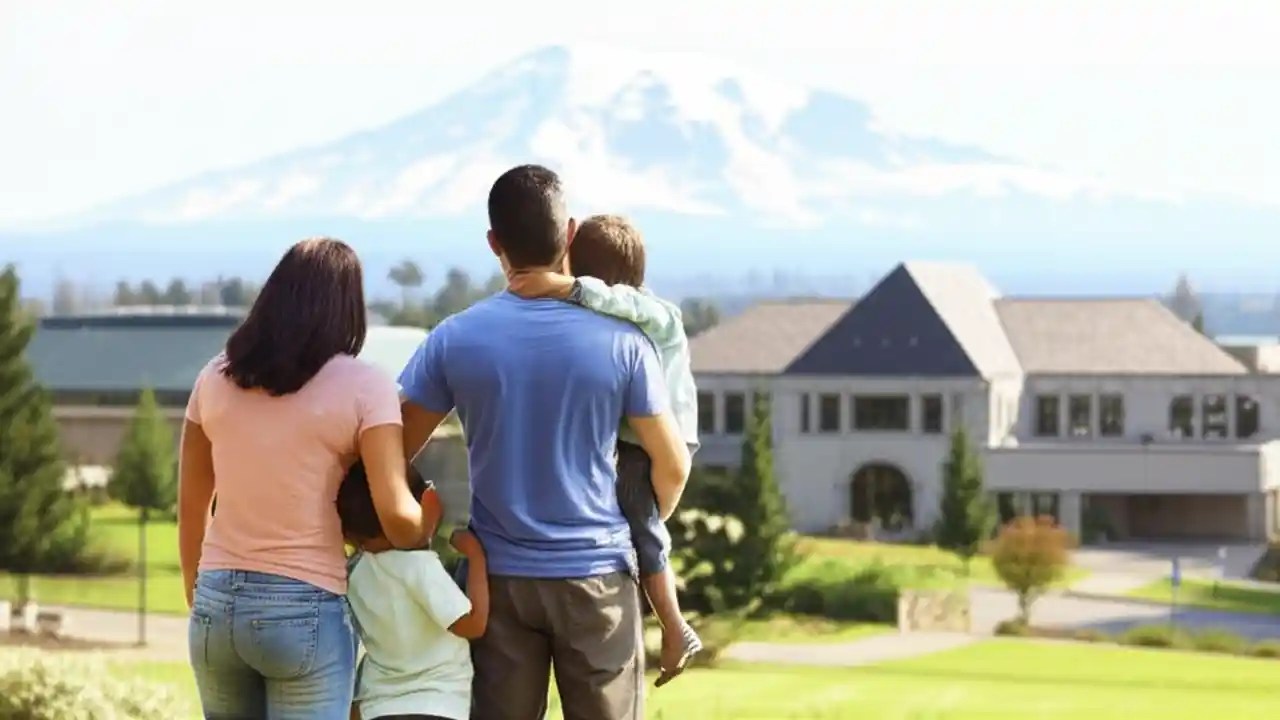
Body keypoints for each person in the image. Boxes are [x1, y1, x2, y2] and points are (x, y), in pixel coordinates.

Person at [397, 165, 692, 720]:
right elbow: (672, 466)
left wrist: (414, 545)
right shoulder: (626, 343)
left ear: (494, 243)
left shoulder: (455, 338)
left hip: (498, 581)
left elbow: (393, 452)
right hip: (598, 581)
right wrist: (645, 529)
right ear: (570, 234)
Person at [178, 237, 439, 720]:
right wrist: (429, 518)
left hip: (215, 607)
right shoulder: (366, 386)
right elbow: (396, 518)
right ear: (347, 309)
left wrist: (200, 595)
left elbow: (192, 506)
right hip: (302, 608)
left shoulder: (213, 377)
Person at [508, 214, 701, 686]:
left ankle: (675, 627)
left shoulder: (655, 314)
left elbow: (614, 300)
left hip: (653, 446)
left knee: (642, 529)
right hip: (632, 443)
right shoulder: (624, 316)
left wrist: (565, 289)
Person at [337, 461, 489, 720]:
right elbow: (473, 624)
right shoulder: (418, 567)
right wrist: (476, 557)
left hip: (378, 707)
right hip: (437, 704)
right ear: (427, 502)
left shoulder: (355, 572)